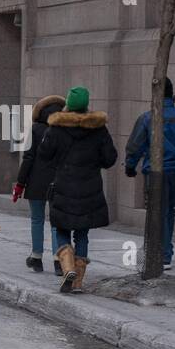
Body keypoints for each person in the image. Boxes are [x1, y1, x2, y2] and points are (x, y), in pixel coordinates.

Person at [39, 86, 117, 293]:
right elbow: (110, 159)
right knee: (82, 234)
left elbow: (44, 155)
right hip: (90, 188)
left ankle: (68, 268)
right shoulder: (98, 129)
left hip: (63, 186)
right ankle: (78, 282)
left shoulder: (56, 128)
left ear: (69, 105)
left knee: (61, 228)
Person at [123, 76, 175, 271]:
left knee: (156, 212)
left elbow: (135, 146)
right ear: (172, 95)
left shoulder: (148, 117)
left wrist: (130, 167)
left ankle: (154, 253)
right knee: (169, 211)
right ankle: (165, 254)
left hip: (156, 173)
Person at [13, 94, 66, 272]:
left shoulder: (35, 130)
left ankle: (36, 257)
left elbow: (27, 158)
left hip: (36, 180)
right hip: (59, 181)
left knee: (37, 219)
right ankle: (58, 260)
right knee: (56, 221)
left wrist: (20, 183)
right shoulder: (64, 130)